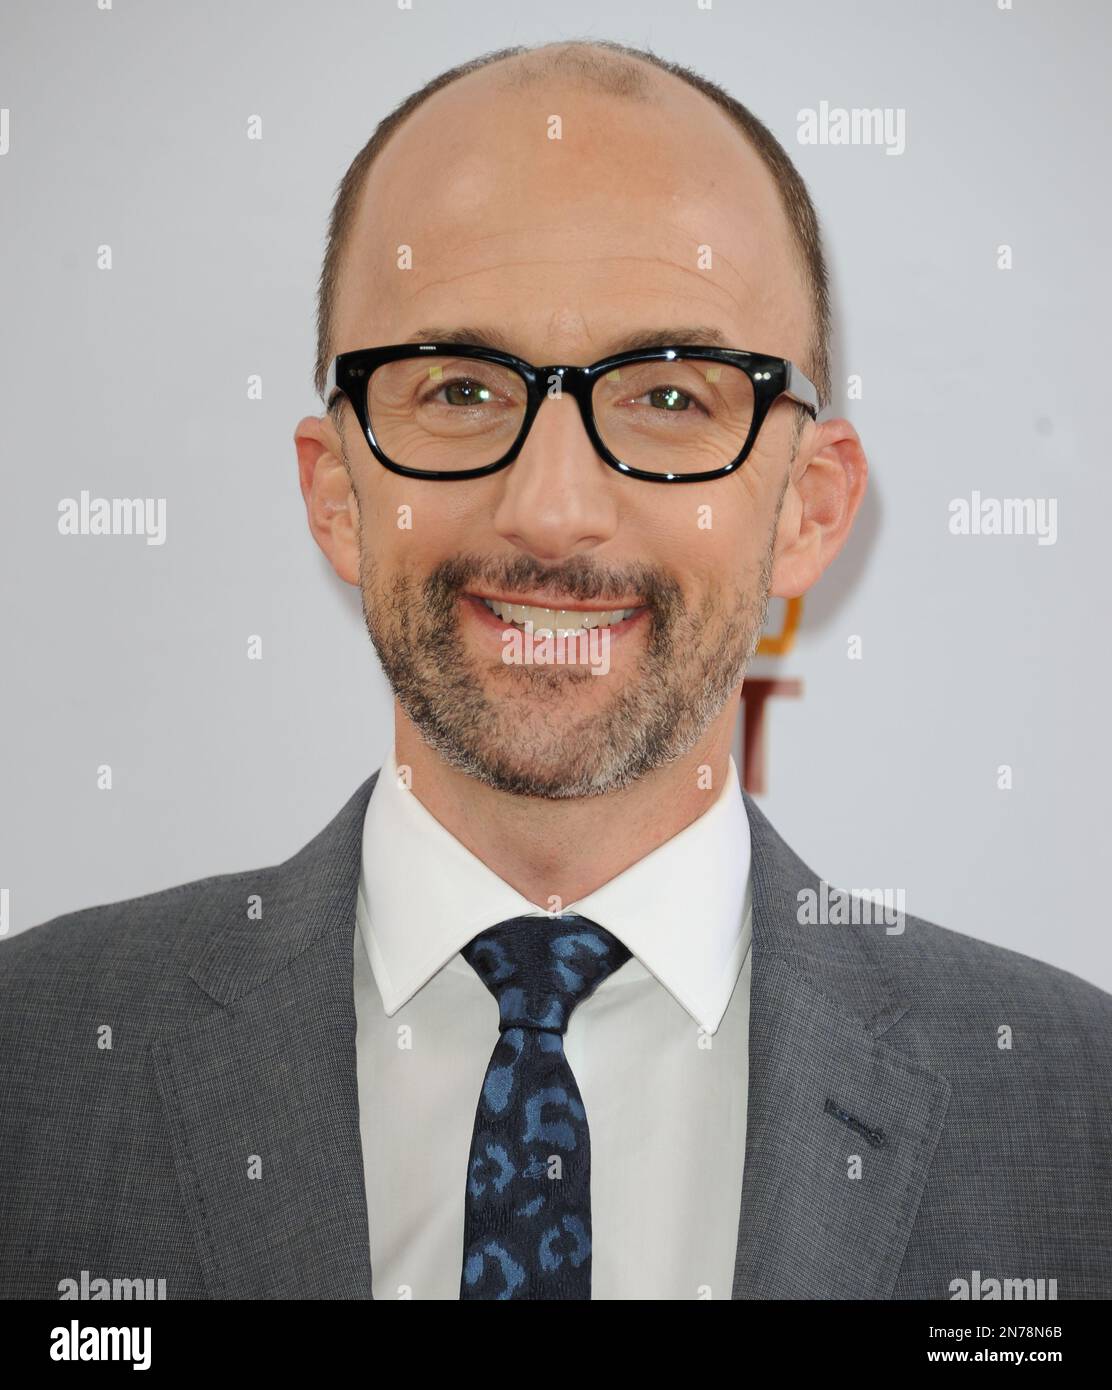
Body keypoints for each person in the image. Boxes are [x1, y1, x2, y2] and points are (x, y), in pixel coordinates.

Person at [1, 38, 1108, 1302]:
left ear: (807, 507)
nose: (551, 507)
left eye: (671, 396)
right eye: (461, 387)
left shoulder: (1075, 1111)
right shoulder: (31, 1063)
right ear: (334, 493)